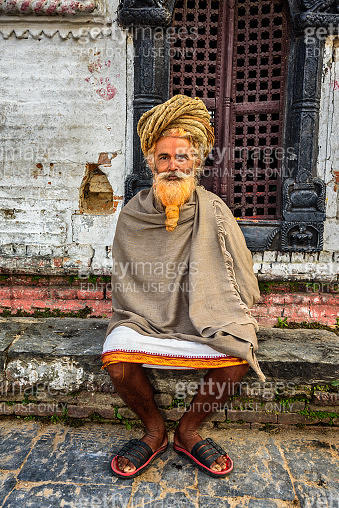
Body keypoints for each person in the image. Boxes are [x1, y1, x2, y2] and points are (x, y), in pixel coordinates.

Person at [102, 94, 265, 479]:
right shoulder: (132, 215)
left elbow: (239, 272)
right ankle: (155, 431)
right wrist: (146, 314)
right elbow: (128, 285)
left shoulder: (215, 210)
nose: (172, 166)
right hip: (144, 317)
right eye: (163, 157)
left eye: (182, 157)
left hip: (207, 313)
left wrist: (230, 309)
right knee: (117, 359)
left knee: (238, 353)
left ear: (197, 162)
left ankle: (188, 431)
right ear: (152, 163)